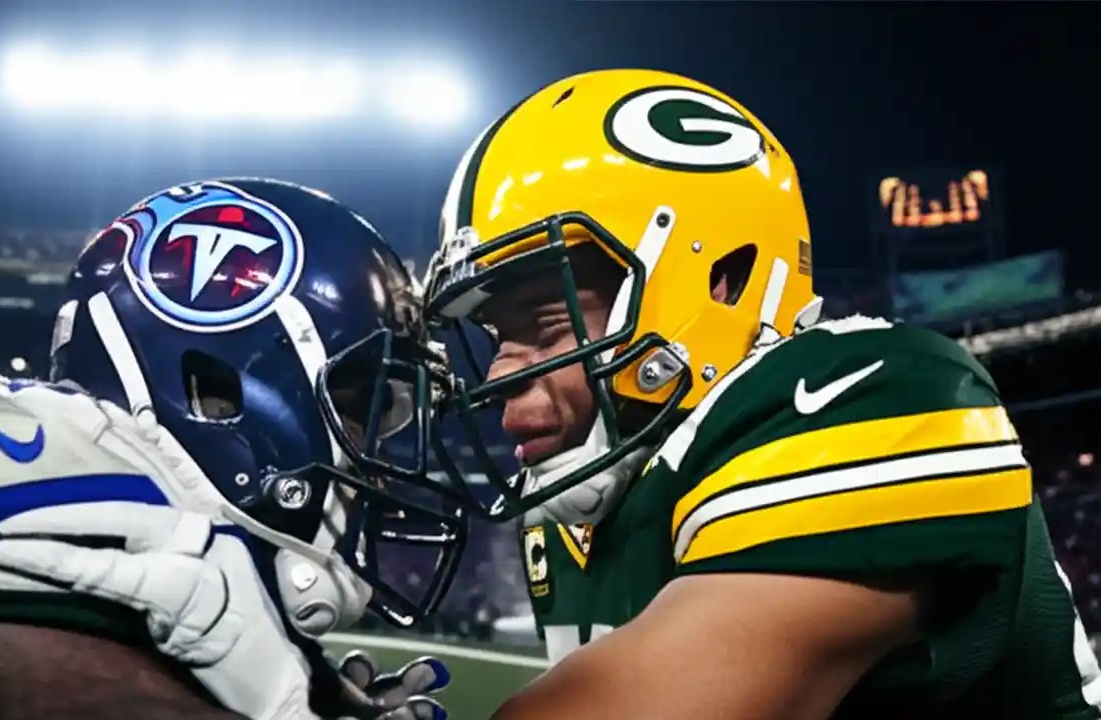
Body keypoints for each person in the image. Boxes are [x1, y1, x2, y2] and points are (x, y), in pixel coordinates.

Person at [422, 69, 1101, 718]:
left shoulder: (870, 392)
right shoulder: (576, 512)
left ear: (720, 278)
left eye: (544, 325)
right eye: (494, 335)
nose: (498, 375)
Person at [0, 178, 461, 720]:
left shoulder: (168, 558)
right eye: (354, 409)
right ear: (215, 391)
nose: (370, 452)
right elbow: (4, 666)